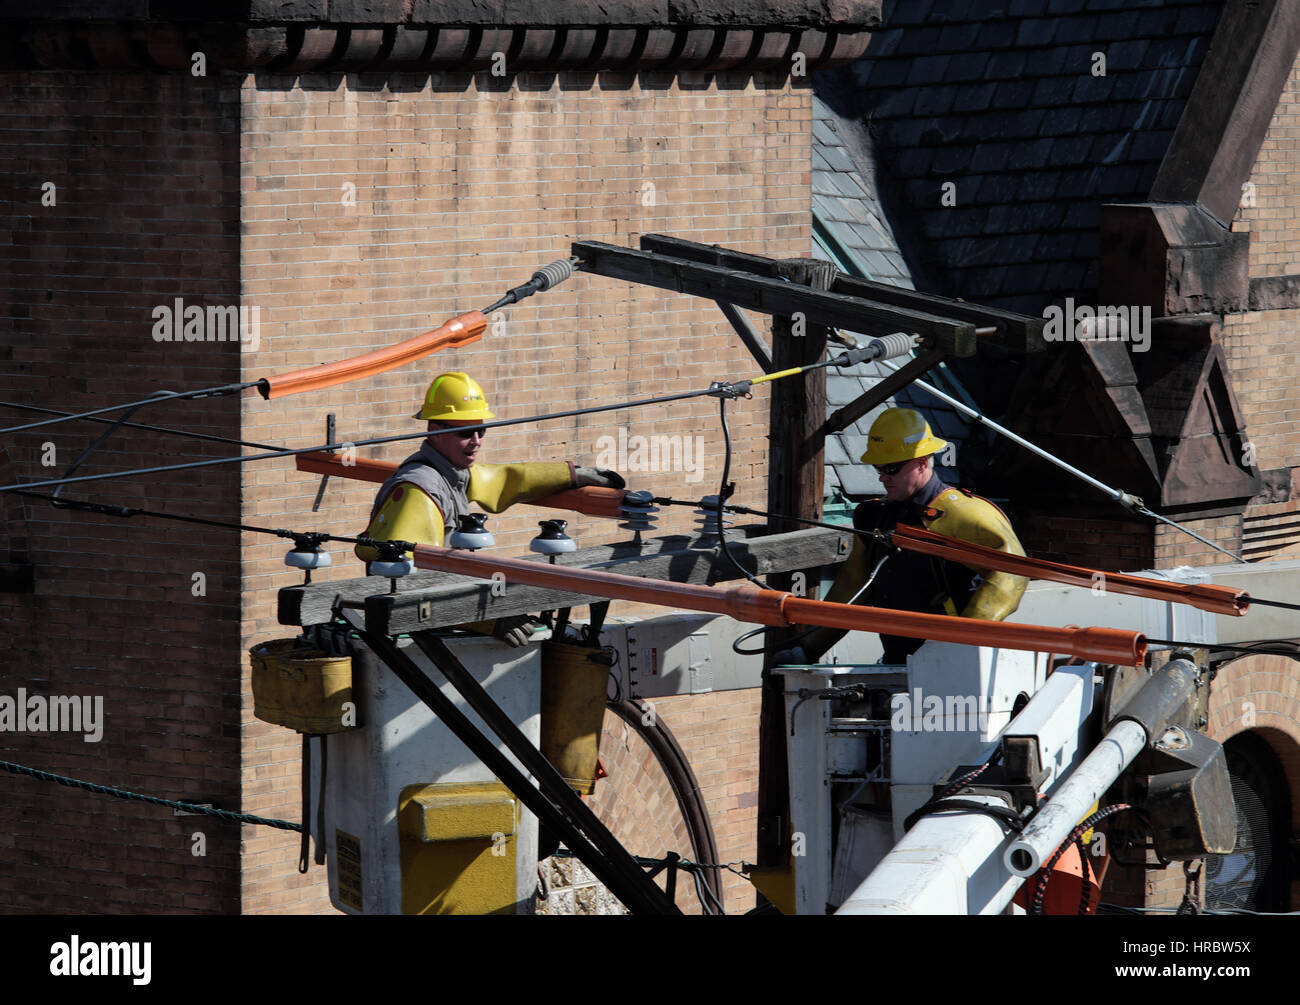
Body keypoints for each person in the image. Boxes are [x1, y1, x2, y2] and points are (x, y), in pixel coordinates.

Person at [356, 371, 625, 645]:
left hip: (434, 623)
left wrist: (572, 475)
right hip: (411, 639)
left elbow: (502, 480)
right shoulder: (421, 489)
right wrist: (488, 621)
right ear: (435, 433)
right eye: (464, 432)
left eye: (481, 430)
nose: (476, 440)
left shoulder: (451, 474)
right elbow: (408, 585)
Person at [787, 407, 1028, 665]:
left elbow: (1012, 572)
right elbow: (852, 589)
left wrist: (956, 647)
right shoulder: (874, 517)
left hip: (956, 669)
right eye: (878, 468)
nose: (882, 477)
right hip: (898, 663)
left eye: (891, 469)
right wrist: (807, 649)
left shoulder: (963, 515)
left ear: (922, 463)